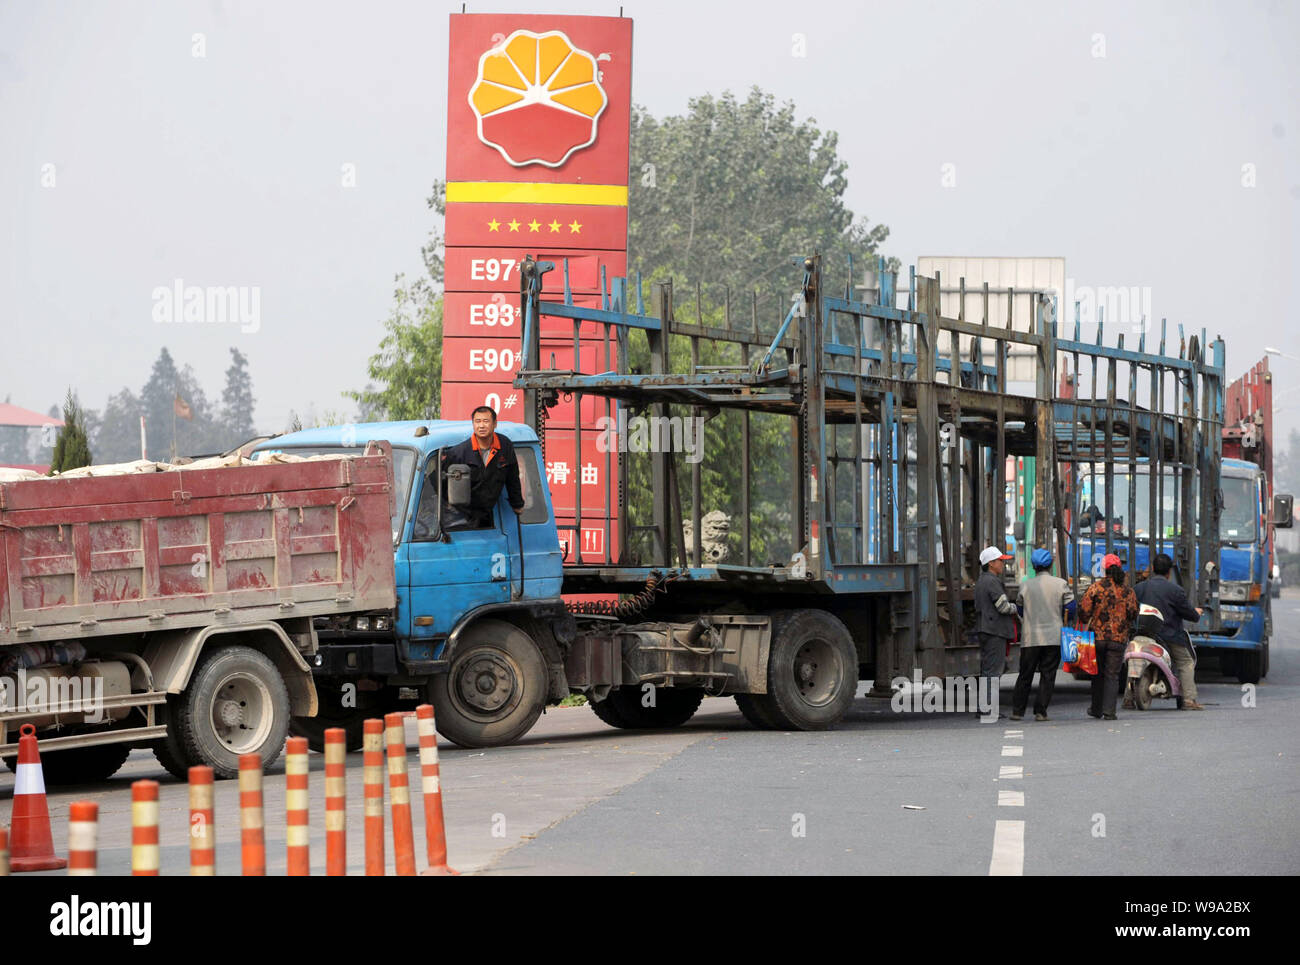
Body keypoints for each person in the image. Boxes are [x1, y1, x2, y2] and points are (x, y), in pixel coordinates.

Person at [1133, 552, 1204, 710]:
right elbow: (1190, 614)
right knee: (1186, 662)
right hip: (1169, 636)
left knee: (1134, 661)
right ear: (1169, 572)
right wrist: (1196, 612)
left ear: (1152, 568)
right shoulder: (1176, 590)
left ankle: (1127, 698)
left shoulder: (1139, 588)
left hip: (1142, 634)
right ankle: (1189, 700)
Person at [1011, 548, 1075, 722]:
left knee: (1025, 674)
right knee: (1048, 674)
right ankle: (1041, 711)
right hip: (1053, 636)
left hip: (1030, 637)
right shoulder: (1060, 584)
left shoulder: (1025, 585)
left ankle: (1017, 711)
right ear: (1051, 564)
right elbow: (1071, 607)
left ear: (1033, 566)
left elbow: (1019, 609)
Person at [440, 406, 525, 529]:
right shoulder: (459, 453)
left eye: (486, 421)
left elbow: (512, 477)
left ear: (495, 424)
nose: (481, 426)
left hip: (490, 515)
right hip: (462, 515)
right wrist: (449, 503)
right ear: (473, 424)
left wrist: (517, 504)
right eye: (477, 421)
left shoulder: (504, 446)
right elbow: (436, 481)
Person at [1077, 553, 1138, 720]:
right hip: (1118, 640)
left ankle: (1096, 709)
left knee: (1097, 674)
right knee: (1112, 675)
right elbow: (1133, 613)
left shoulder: (1096, 588)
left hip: (1098, 638)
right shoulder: (1128, 591)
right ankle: (1109, 711)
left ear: (1103, 569)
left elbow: (1084, 611)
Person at [974, 545, 1018, 717]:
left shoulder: (981, 580)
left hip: (986, 629)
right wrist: (1017, 608)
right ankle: (987, 708)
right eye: (1000, 561)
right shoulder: (992, 582)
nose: (1003, 564)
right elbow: (1003, 607)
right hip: (994, 631)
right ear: (991, 563)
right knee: (993, 672)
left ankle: (984, 706)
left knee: (987, 669)